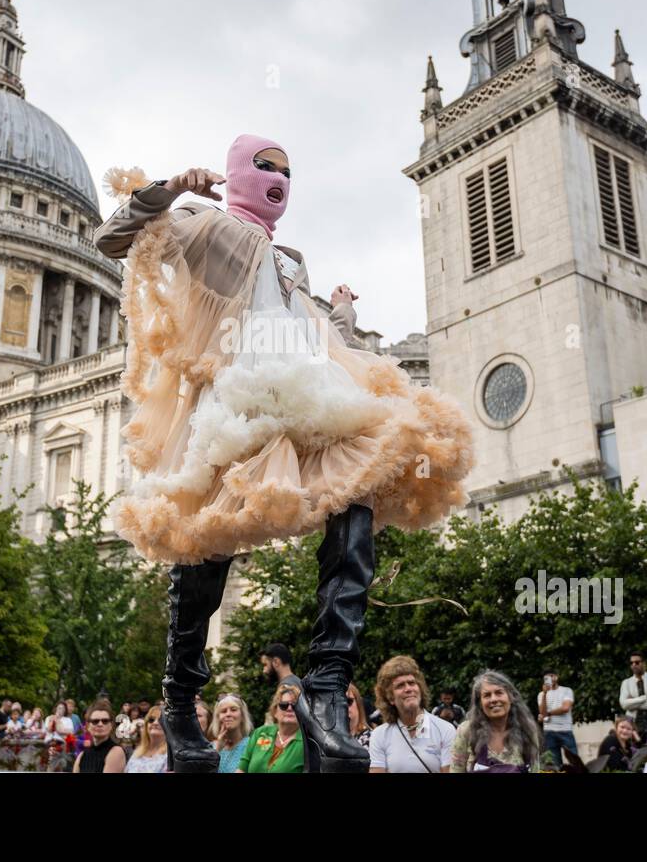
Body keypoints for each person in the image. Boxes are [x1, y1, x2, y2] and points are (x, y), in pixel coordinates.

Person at [96, 141, 472, 773]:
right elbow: (114, 239)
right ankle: (181, 697)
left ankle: (327, 681)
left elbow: (309, 335)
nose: (278, 180)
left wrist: (344, 318)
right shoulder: (204, 223)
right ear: (239, 171)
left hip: (301, 397)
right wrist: (166, 187)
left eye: (288, 171)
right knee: (204, 552)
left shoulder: (290, 260)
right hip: (233, 402)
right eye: (265, 167)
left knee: (356, 497)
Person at [368, 656, 455, 773]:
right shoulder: (379, 735)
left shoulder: (445, 730)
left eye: (412, 683)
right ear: (390, 698)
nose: (408, 689)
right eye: (400, 685)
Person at [451, 670, 540, 773]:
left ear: (510, 697)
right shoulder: (467, 731)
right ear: (480, 703)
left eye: (499, 693)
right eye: (487, 695)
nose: (493, 699)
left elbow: (535, 770)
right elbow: (455, 770)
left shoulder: (527, 730)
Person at [236, 686, 304, 774]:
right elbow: (242, 769)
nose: (289, 708)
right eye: (284, 705)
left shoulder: (306, 743)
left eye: (295, 705)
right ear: (275, 711)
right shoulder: (260, 733)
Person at [619, 651, 647, 742]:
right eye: (631, 663)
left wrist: (632, 703)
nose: (634, 665)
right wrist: (644, 698)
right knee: (637, 755)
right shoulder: (626, 683)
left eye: (637, 662)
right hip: (634, 729)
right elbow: (624, 704)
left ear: (644, 663)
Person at [536, 669, 577, 769]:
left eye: (552, 676)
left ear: (556, 677)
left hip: (565, 730)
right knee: (554, 764)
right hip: (549, 732)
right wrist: (545, 694)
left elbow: (565, 708)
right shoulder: (541, 694)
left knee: (575, 761)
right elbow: (542, 712)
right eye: (546, 678)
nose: (550, 679)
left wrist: (548, 713)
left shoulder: (566, 690)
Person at [73, 703, 126, 774]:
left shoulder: (116, 752)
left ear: (111, 725)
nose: (100, 724)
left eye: (105, 721)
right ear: (88, 726)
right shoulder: (82, 756)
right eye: (95, 721)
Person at [210, 693, 253, 774]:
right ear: (218, 718)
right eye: (223, 711)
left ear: (242, 716)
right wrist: (217, 750)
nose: (228, 714)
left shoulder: (251, 746)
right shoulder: (211, 747)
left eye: (233, 710)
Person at [126, 705, 169, 773]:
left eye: (161, 720)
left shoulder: (171, 755)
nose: (155, 723)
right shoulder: (137, 752)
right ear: (146, 725)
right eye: (151, 720)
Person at [346, 683, 372, 749]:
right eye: (337, 703)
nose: (344, 706)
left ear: (358, 704)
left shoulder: (373, 739)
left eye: (348, 701)